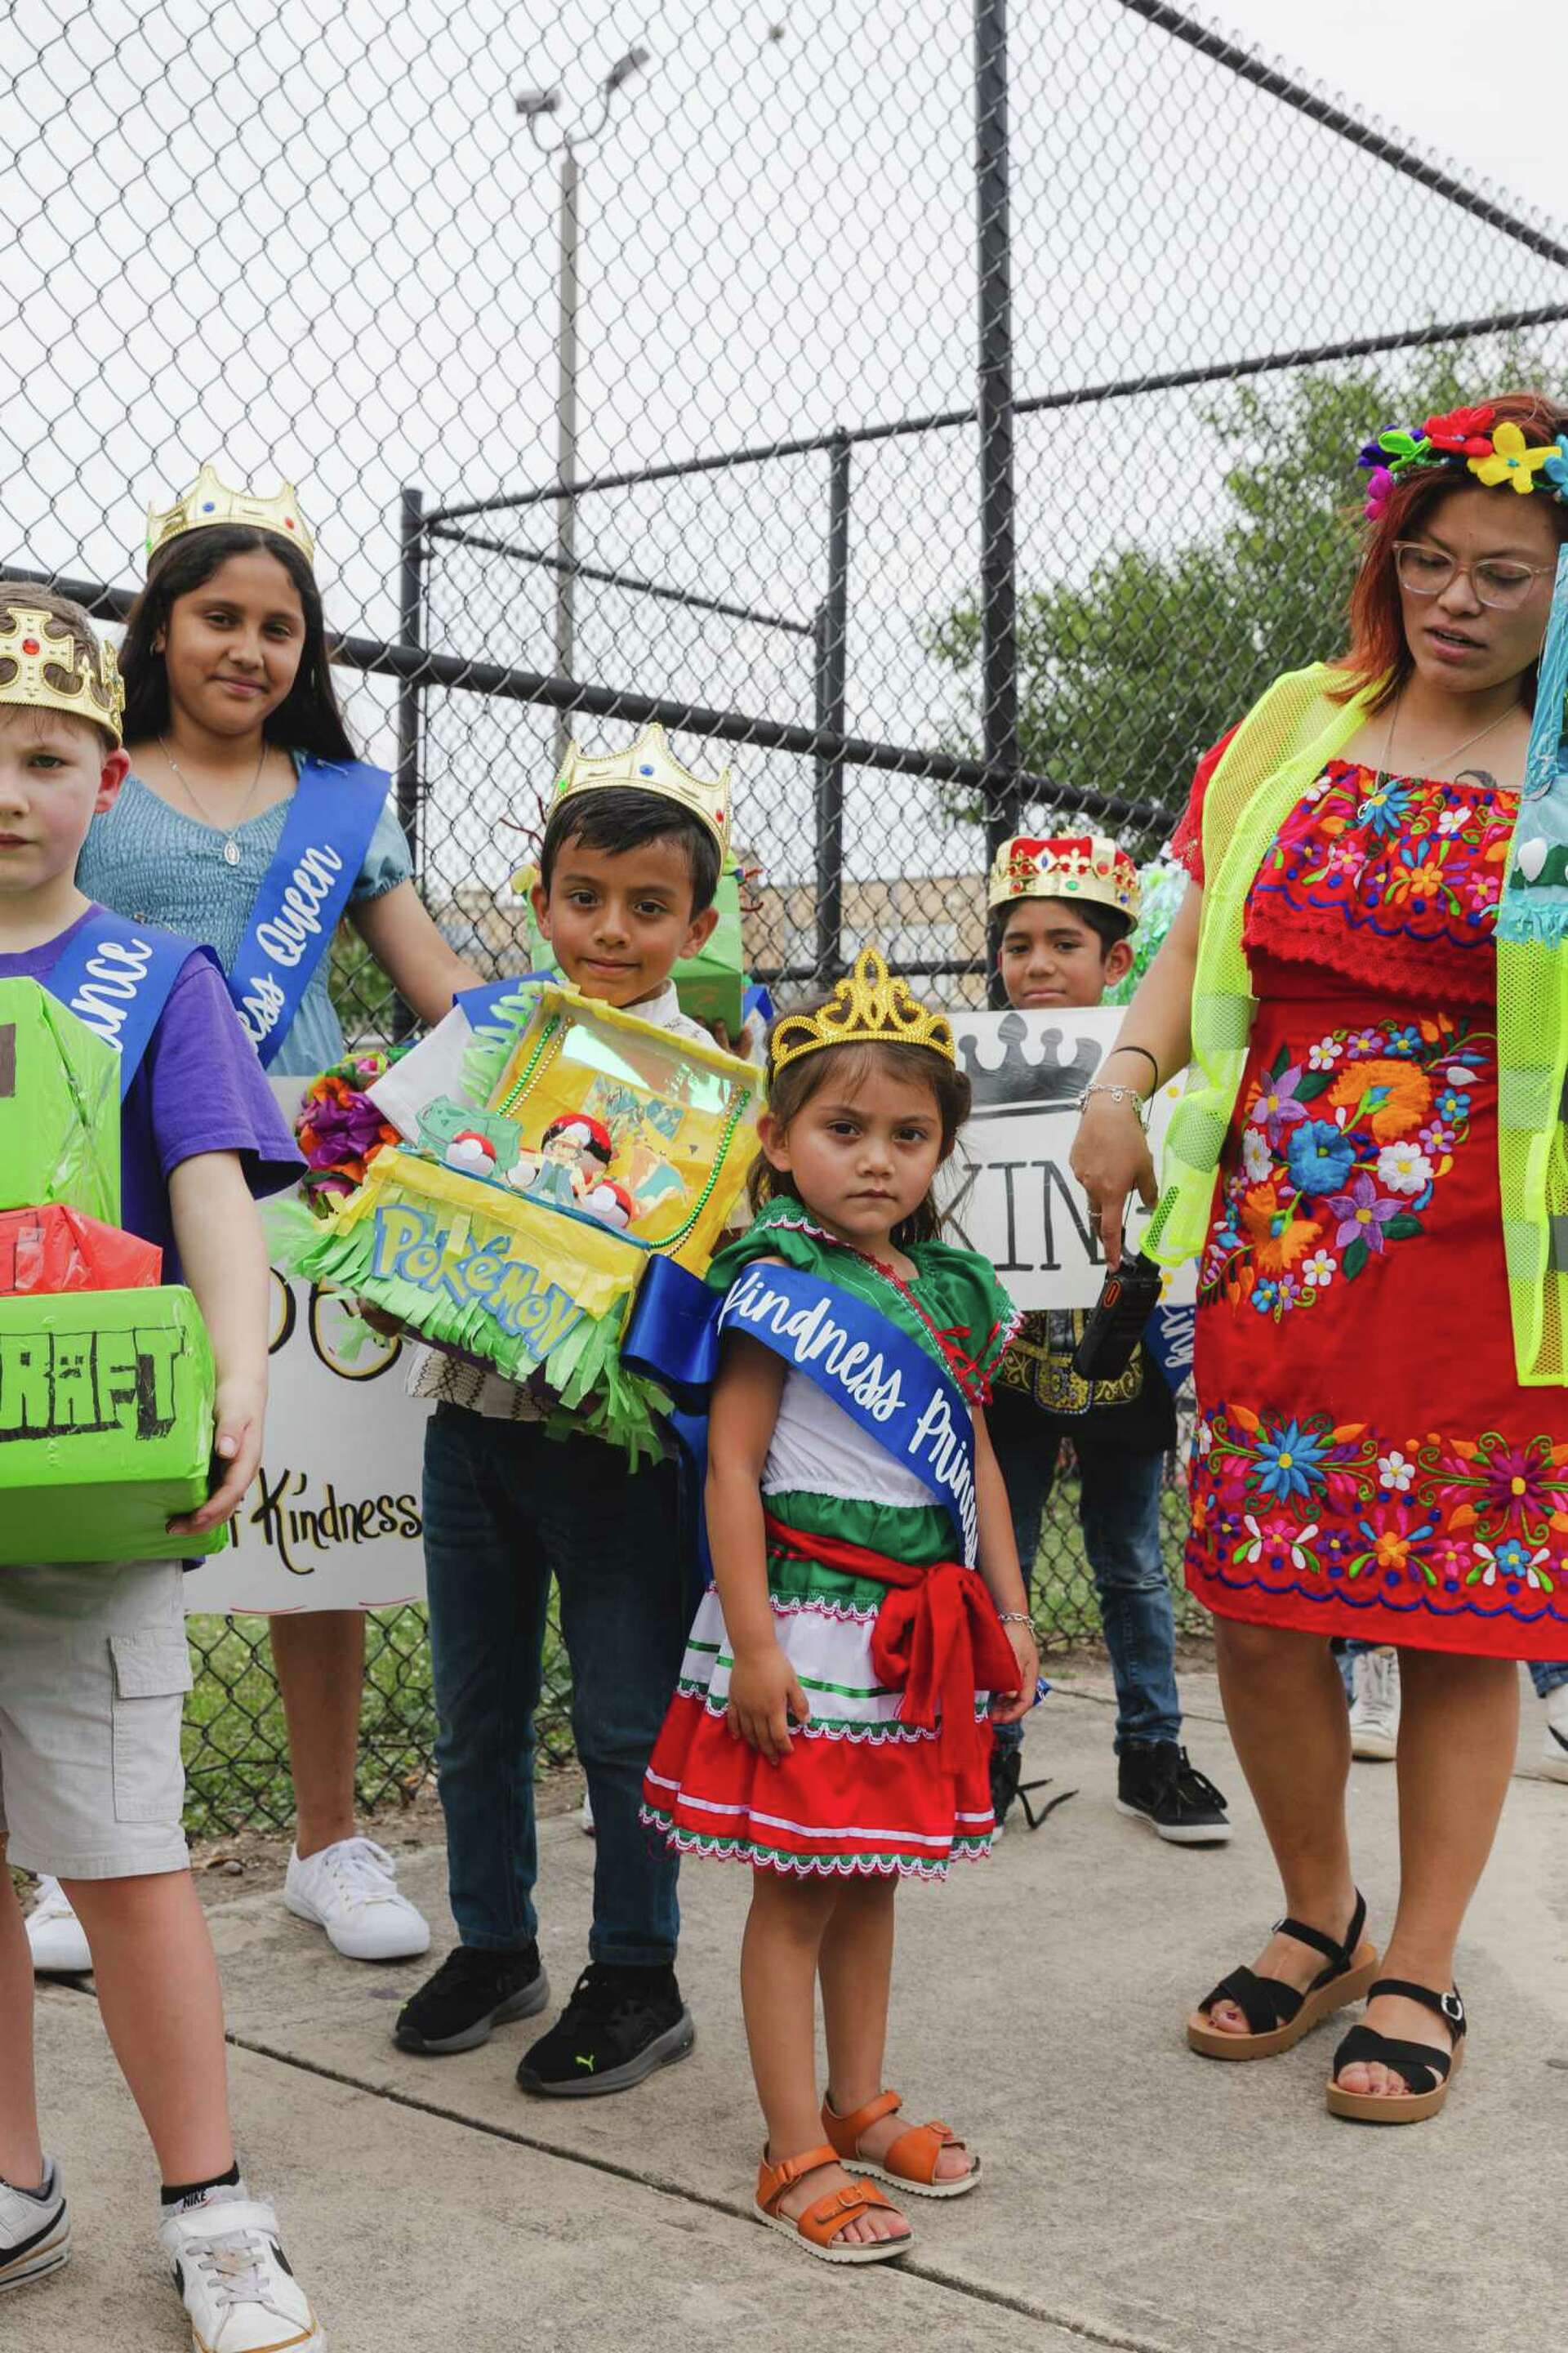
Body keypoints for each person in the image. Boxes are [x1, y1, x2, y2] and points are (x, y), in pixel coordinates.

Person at [1071, 390, 1568, 2123]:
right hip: (1278, 1234)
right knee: (1266, 1609)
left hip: (1490, 1257)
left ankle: (1421, 1960)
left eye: (1505, 573)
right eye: (1429, 560)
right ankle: (1317, 1912)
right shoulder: (1299, 718)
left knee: (1457, 1616)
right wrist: (1127, 1080)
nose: (1458, 599)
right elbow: (1191, 929)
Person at [31, 467, 481, 1976]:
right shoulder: (84, 781)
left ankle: (326, 1837)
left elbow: (443, 1007)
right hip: (104, 1187)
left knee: (315, 1521)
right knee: (94, 1502)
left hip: (306, 1199)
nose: (251, 647)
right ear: (158, 628)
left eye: (282, 626)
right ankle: (65, 1848)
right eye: (220, 615)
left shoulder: (348, 807)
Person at [0, 587, 324, 2348]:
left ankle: (210, 2205)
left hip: (87, 1480)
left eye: (44, 757)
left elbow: (212, 1185)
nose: (9, 790)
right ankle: (10, 2176)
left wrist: (235, 1370)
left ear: (103, 780)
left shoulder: (151, 975)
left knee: (123, 1856)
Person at [639, 947, 1039, 2263]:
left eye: (910, 1136)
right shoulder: (781, 1283)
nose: (878, 1160)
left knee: (873, 1878)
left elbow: (972, 1454)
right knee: (796, 1892)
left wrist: (1015, 1611)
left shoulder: (949, 1290)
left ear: (942, 1151)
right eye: (844, 1129)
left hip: (915, 1636)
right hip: (809, 1626)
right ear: (779, 1139)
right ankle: (788, 2144)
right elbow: (736, 1468)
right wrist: (753, 1646)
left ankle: (858, 2100)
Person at [392, 725, 726, 2094]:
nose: (611, 928)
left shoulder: (717, 1082)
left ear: (697, 923)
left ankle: (638, 1970)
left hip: (617, 1448)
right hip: (473, 1419)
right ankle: (495, 1943)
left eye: (649, 907)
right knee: (474, 1705)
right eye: (584, 899)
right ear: (540, 902)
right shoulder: (485, 1032)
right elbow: (389, 1169)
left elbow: (721, 1257)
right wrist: (381, 1259)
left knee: (623, 1718)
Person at [983, 833, 1230, 1843]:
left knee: (1129, 1558)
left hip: (1127, 1356)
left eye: (1065, 943)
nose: (1038, 965)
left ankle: (1152, 1750)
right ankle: (988, 1754)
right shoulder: (972, 1069)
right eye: (1017, 945)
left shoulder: (1158, 1074)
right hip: (1005, 1360)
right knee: (1007, 1559)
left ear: (1117, 960)